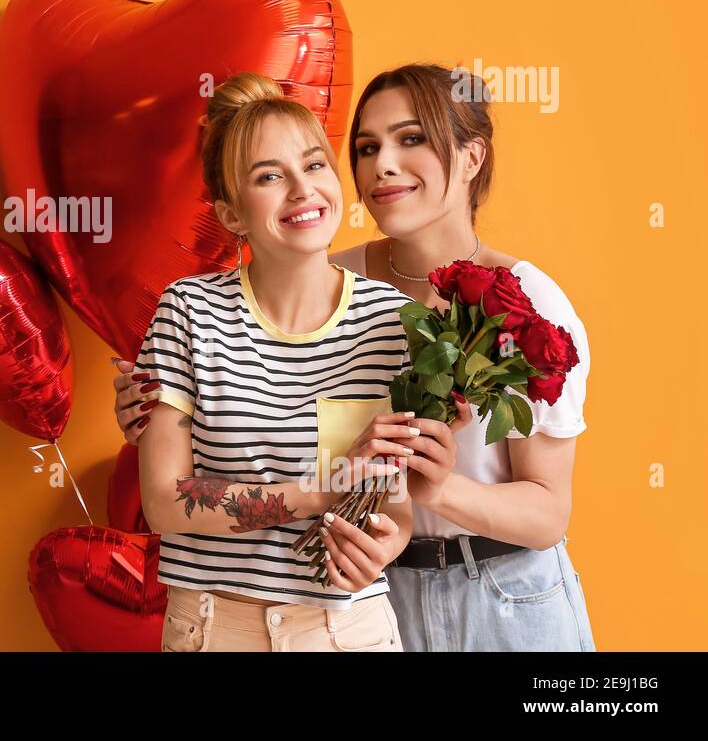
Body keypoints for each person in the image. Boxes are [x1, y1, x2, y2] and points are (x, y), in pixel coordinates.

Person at [118, 63, 595, 651]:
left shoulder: (506, 304)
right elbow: (193, 473)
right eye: (367, 147)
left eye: (411, 138)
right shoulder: (329, 279)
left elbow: (544, 512)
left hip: (495, 590)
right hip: (376, 595)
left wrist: (428, 490)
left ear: (472, 158)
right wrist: (163, 401)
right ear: (232, 213)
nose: (383, 165)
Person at [135, 72, 443, 652]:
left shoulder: (395, 322)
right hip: (212, 631)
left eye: (315, 164)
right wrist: (319, 492)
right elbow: (166, 502)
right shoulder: (189, 312)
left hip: (349, 634)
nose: (303, 189)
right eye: (270, 176)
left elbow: (391, 503)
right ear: (230, 216)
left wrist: (384, 545)